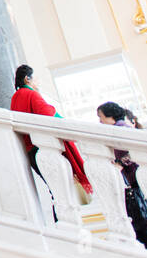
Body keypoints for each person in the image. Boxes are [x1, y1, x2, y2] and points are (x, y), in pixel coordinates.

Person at [10, 65, 93, 212]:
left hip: (31, 150)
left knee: (54, 190)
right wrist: (59, 115)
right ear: (27, 79)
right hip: (42, 148)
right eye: (35, 78)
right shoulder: (31, 94)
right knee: (61, 191)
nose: (38, 82)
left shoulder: (16, 97)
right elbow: (47, 114)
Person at [97, 102, 147, 252]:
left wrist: (120, 163)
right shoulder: (121, 128)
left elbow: (135, 151)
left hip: (138, 180)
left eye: (101, 117)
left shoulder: (121, 129)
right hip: (138, 180)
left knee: (144, 222)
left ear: (110, 116)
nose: (100, 121)